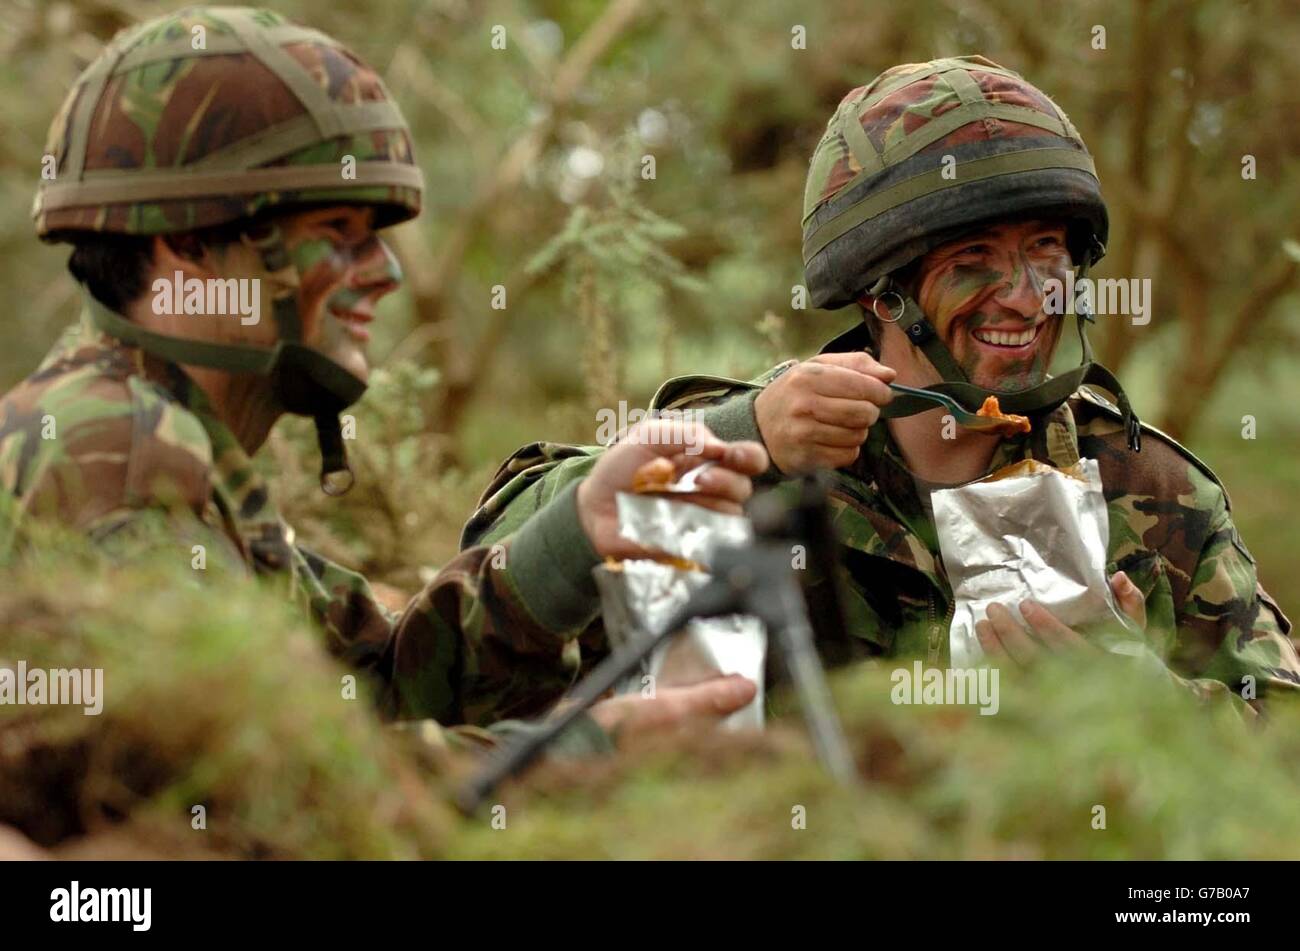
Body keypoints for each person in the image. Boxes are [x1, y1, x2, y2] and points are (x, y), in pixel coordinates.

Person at [0, 6, 769, 750]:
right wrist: (579, 755)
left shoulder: (161, 436)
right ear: (188, 246)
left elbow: (379, 688)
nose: (386, 273)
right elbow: (271, 795)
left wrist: (574, 533)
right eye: (337, 234)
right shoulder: (113, 455)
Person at [465, 56, 1298, 713]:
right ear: (880, 291)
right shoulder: (752, 449)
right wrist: (743, 429)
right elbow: (485, 594)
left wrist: (1156, 711)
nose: (1023, 293)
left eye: (1047, 248)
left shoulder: (1152, 492)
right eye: (972, 259)